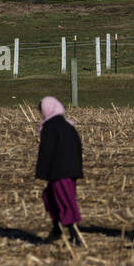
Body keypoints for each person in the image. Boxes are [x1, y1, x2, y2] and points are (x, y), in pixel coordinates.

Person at [35, 96, 84, 245]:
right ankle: (56, 228)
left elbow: (46, 151)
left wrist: (42, 173)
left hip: (59, 172)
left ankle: (74, 233)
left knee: (64, 200)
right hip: (71, 170)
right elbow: (78, 148)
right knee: (49, 196)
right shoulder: (69, 126)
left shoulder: (50, 127)